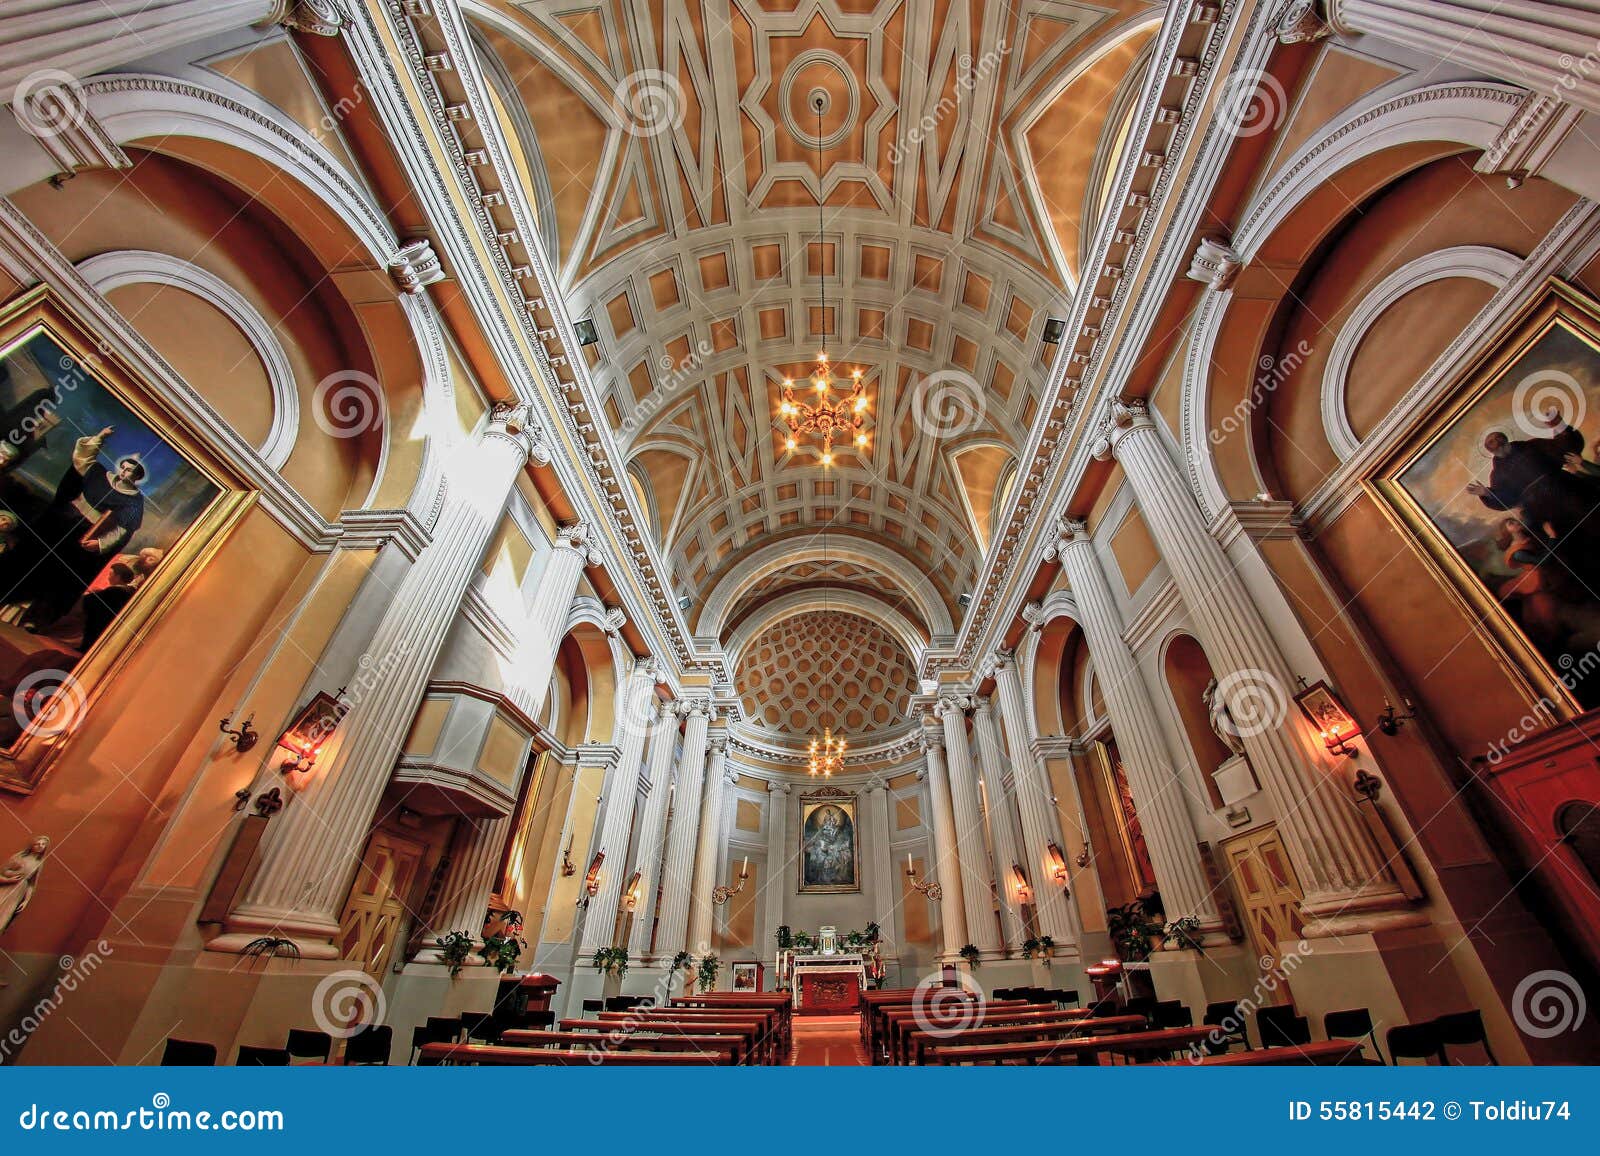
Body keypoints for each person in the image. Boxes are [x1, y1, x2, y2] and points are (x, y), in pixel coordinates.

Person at [21, 426, 147, 631]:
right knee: (34, 560)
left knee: (62, 579)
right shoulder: (99, 474)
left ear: (136, 477)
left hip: (85, 539)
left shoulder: (134, 501)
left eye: (130, 471)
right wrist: (99, 438)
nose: (124, 471)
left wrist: (99, 543)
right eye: (123, 467)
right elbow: (83, 458)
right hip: (62, 523)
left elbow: (124, 529)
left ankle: (34, 620)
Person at [0, 835, 50, 940]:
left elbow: (31, 884)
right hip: (5, 888)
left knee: (3, 919)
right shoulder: (19, 857)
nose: (40, 846)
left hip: (17, 893)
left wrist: (26, 901)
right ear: (32, 845)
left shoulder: (38, 863)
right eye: (38, 843)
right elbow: (3, 872)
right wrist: (9, 879)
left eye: (43, 844)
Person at [80, 561, 137, 651]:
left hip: (100, 629)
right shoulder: (130, 590)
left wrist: (92, 593)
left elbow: (88, 602)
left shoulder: (115, 591)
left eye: (110, 574)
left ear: (118, 577)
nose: (108, 577)